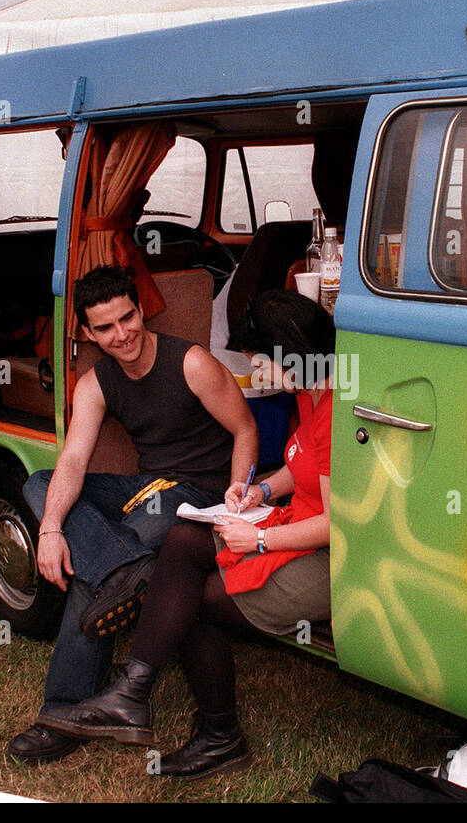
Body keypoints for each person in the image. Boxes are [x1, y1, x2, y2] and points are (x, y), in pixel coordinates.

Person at [39, 290, 334, 779]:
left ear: (291, 351)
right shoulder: (308, 391)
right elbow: (301, 467)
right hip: (290, 525)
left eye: (260, 363)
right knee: (181, 544)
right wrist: (261, 488)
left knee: (187, 597)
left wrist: (257, 541)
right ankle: (132, 689)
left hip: (327, 553)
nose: (257, 376)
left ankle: (217, 735)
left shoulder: (337, 408)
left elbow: (340, 520)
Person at [7, 265, 258, 764]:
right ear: (86, 332)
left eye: (127, 317)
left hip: (194, 495)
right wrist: (52, 529)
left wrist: (238, 491)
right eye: (105, 327)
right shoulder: (97, 382)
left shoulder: (190, 363)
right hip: (145, 488)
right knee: (40, 485)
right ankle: (124, 570)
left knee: (89, 575)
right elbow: (75, 459)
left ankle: (62, 712)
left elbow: (245, 429)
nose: (121, 334)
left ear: (141, 310)